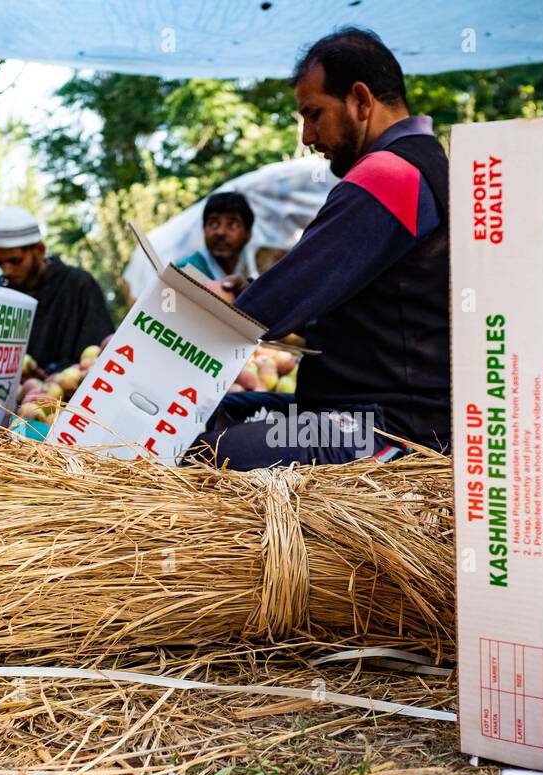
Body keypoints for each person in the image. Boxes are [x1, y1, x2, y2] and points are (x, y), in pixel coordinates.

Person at [187, 27, 450, 469]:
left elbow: (270, 308)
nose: (307, 136)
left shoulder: (389, 175)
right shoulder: (427, 163)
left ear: (361, 101)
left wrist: (227, 301)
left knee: (202, 451)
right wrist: (249, 290)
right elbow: (328, 296)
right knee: (227, 410)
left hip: (386, 430)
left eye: (314, 114)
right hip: (360, 415)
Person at [0, 206, 114, 371]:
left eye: (15, 261)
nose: (6, 271)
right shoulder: (1, 292)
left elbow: (97, 356)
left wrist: (51, 376)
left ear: (39, 250)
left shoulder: (79, 285)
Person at [176, 191, 255, 283]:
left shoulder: (249, 271)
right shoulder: (185, 273)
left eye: (232, 225)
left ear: (248, 234)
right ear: (204, 229)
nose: (221, 232)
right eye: (213, 223)